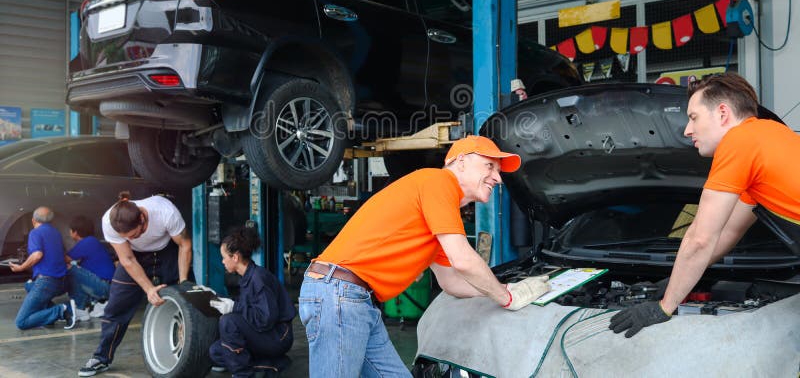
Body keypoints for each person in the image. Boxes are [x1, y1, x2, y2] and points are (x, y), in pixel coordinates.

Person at [299, 135, 551, 377]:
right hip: (339, 294)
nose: (497, 177)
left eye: (498, 171)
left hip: (355, 299)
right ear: (460, 161)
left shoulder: (441, 211)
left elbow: (451, 281)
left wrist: (507, 287)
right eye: (489, 166)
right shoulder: (438, 182)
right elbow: (463, 261)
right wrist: (506, 297)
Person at [610, 72, 800, 338]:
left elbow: (701, 238)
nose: (687, 130)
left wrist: (664, 307)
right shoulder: (771, 135)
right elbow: (728, 232)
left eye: (693, 117)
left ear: (722, 113)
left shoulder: (739, 142)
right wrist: (677, 282)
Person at [78, 194, 192, 377]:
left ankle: (203, 355)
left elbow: (185, 244)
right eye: (127, 237)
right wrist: (148, 289)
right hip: (135, 257)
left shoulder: (165, 211)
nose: (132, 238)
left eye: (134, 234)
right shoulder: (109, 221)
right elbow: (127, 258)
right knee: (116, 308)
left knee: (188, 301)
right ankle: (101, 357)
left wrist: (183, 281)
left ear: (142, 218)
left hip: (168, 251)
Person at [209, 226, 296, 377]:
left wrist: (234, 307)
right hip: (264, 333)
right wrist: (215, 297)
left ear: (235, 257)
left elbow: (265, 319)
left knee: (228, 322)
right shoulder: (247, 276)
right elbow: (246, 307)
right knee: (216, 352)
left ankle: (243, 374)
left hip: (278, 336)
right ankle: (274, 364)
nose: (223, 261)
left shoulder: (258, 278)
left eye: (224, 257)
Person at [10, 206, 76, 330]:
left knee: (21, 322)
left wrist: (21, 267)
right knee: (29, 286)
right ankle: (50, 315)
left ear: (33, 220)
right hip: (61, 281)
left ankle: (62, 310)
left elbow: (37, 255)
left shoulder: (35, 232)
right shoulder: (56, 232)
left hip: (45, 282)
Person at [65, 215, 115, 322]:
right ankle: (90, 307)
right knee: (76, 271)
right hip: (106, 286)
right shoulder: (92, 241)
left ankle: (80, 308)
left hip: (103, 287)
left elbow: (65, 259)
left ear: (75, 232)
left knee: (70, 269)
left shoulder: (87, 242)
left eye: (70, 230)